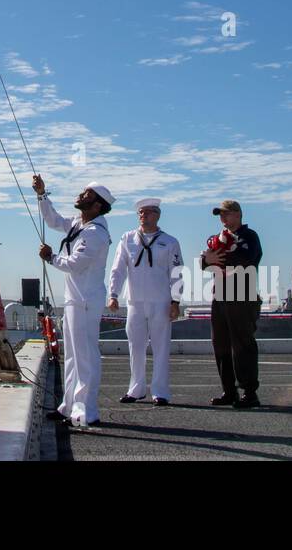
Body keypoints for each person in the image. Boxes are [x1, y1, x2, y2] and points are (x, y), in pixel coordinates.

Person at [34, 174, 114, 427]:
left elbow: (76, 264)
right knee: (71, 355)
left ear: (98, 205)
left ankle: (87, 410)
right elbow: (53, 219)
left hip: (86, 299)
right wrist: (41, 195)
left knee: (86, 355)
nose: (81, 195)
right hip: (74, 298)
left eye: (87, 194)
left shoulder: (96, 233)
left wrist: (51, 258)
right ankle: (68, 405)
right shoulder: (79, 224)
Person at [108, 197, 183, 404]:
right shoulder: (127, 239)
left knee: (161, 347)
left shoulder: (169, 242)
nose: (144, 216)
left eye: (148, 212)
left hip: (161, 301)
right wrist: (113, 294)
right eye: (141, 212)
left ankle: (160, 391)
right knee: (135, 346)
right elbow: (118, 269)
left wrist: (175, 301)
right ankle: (136, 389)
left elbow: (176, 273)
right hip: (135, 302)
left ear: (157, 215)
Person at [203, 199, 263, 408]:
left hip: (242, 294)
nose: (222, 218)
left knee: (242, 344)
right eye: (220, 215)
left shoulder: (249, 236)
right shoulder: (215, 238)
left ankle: (249, 392)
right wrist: (212, 259)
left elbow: (246, 258)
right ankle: (229, 391)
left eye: (226, 214)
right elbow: (205, 263)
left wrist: (217, 258)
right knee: (220, 343)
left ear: (238, 214)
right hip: (219, 294)